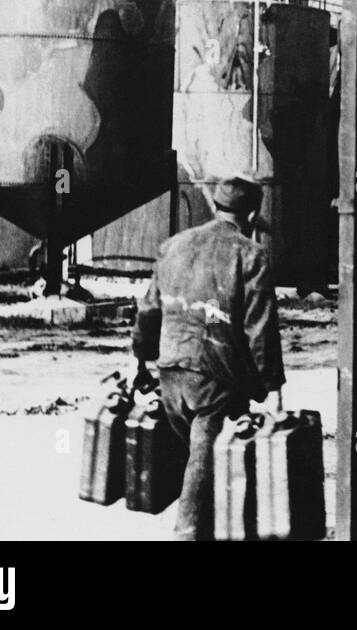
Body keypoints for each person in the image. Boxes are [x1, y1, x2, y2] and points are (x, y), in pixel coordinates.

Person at [132, 175, 285, 540]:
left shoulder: (173, 245)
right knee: (200, 482)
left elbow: (149, 310)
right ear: (251, 215)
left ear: (215, 207)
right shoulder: (250, 254)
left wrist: (139, 359)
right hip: (213, 384)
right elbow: (259, 327)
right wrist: (272, 386)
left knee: (204, 465)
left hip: (170, 375)